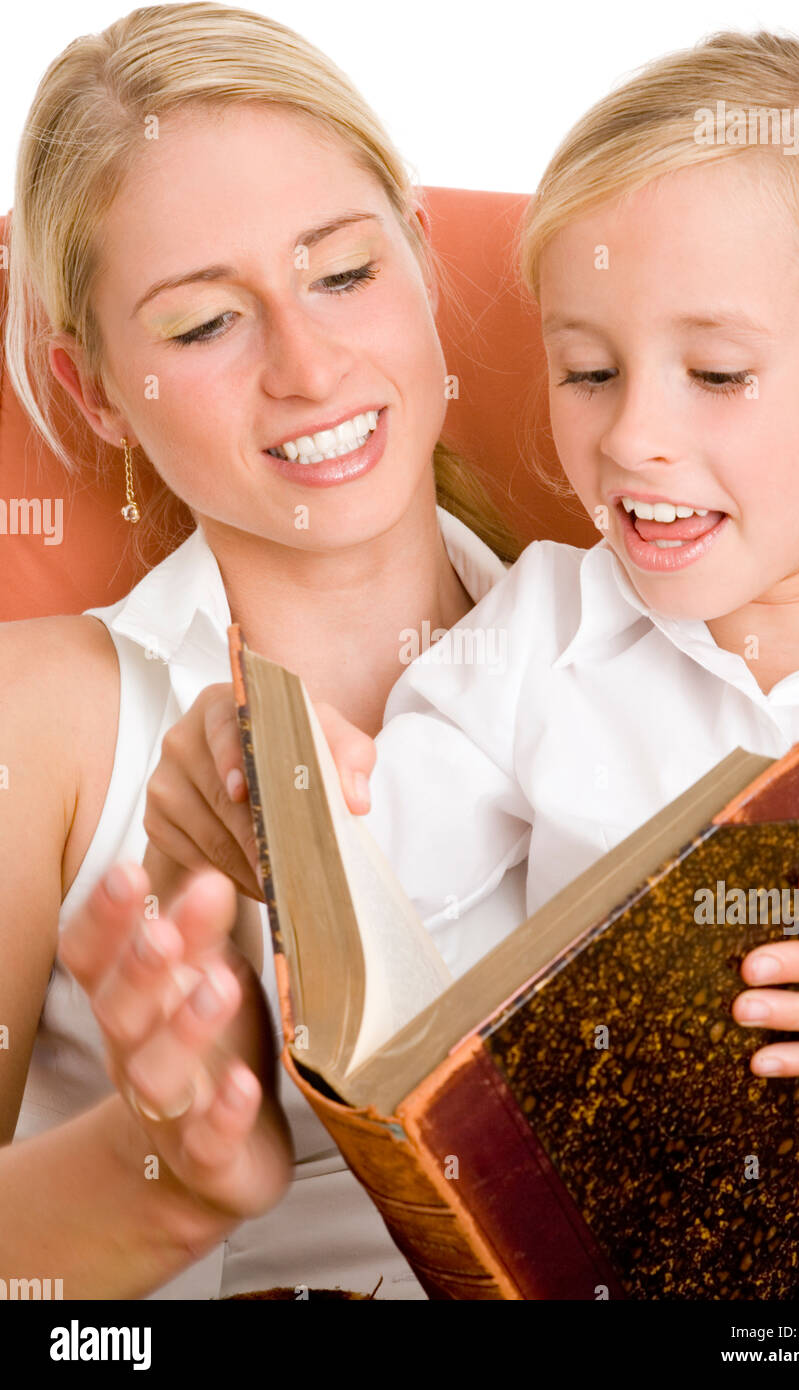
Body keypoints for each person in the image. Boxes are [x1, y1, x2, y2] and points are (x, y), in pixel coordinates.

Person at [137, 28, 799, 1280]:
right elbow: (377, 885)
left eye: (717, 373)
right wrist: (280, 792)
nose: (634, 436)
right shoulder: (551, 631)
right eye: (587, 371)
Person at [0, 1, 528, 1299]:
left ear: (413, 253)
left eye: (343, 273)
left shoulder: (644, 644)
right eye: (201, 325)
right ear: (96, 390)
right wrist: (164, 1171)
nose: (308, 365)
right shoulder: (51, 713)